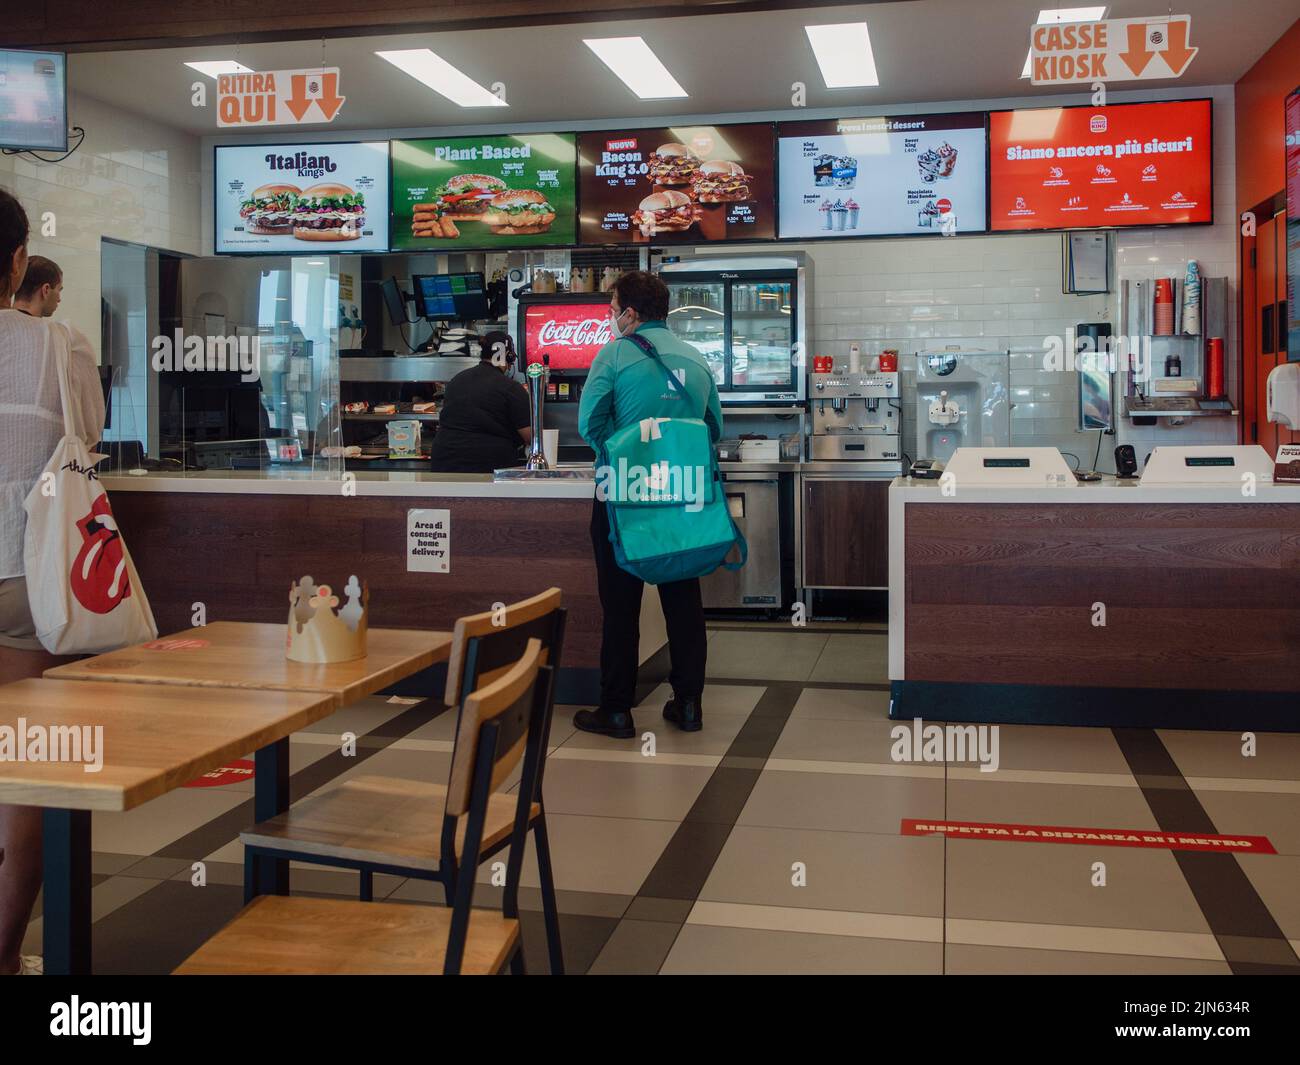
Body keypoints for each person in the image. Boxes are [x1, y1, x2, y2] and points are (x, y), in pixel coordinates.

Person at [0, 192, 104, 976]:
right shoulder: (59, 346)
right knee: (25, 766)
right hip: (22, 577)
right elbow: (89, 436)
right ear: (16, 261)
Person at [575, 271, 722, 739]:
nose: (611, 316)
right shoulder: (697, 358)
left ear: (630, 313)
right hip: (681, 492)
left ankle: (616, 710)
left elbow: (589, 425)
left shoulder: (614, 355)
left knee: (620, 606)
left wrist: (625, 453)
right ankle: (689, 705)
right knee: (684, 602)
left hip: (625, 493)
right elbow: (713, 427)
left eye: (613, 306)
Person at [428, 330, 532, 474]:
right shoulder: (511, 387)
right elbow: (530, 436)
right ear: (508, 357)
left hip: (444, 459)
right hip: (487, 463)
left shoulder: (457, 379)